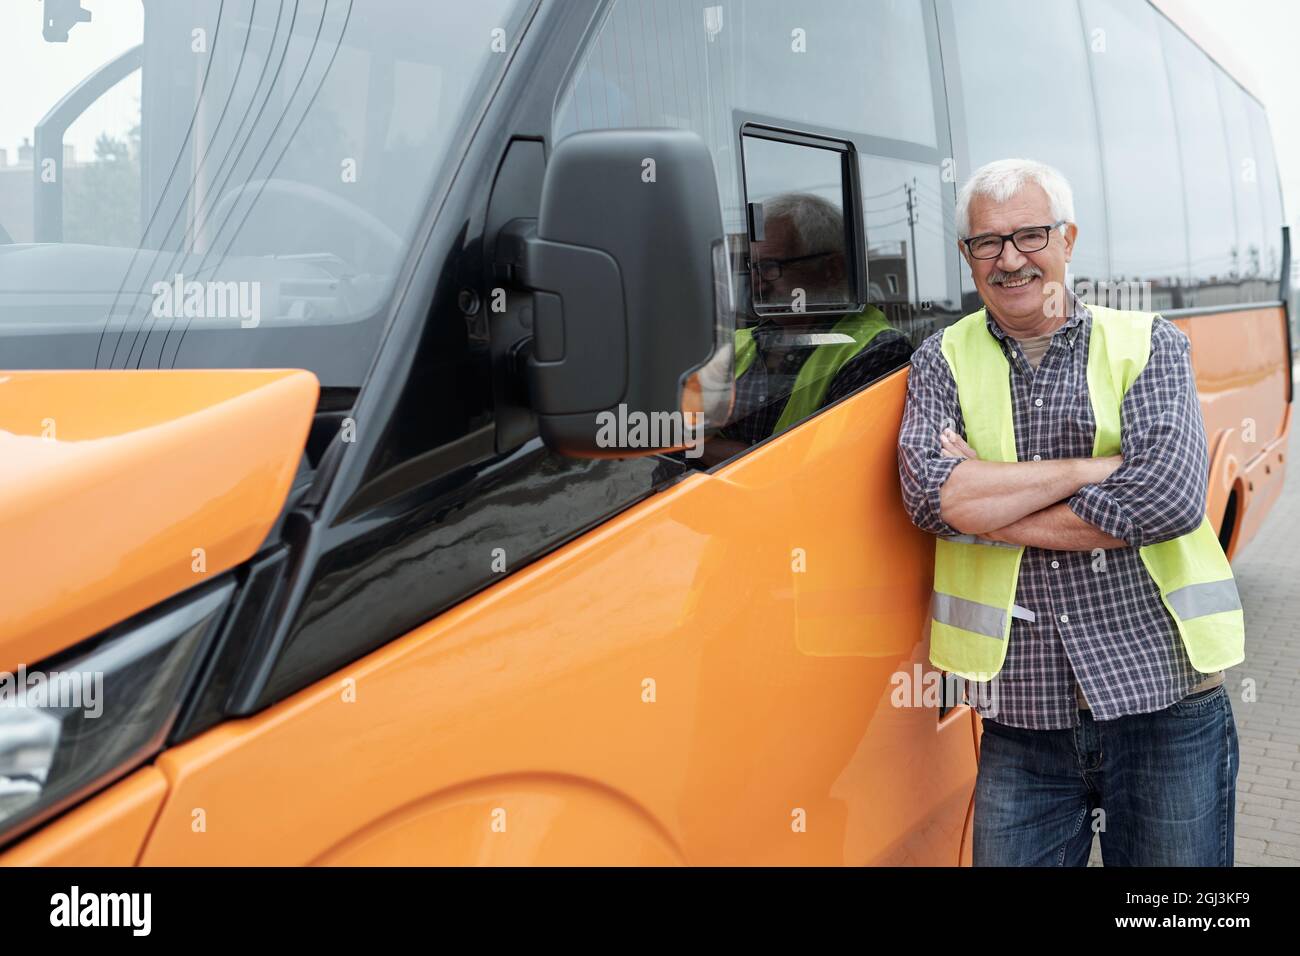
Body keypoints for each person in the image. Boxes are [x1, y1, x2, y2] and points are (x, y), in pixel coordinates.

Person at [897, 158, 1243, 866]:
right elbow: (931, 497)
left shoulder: (1149, 343)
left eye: (1030, 234)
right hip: (1022, 719)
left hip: (1163, 700)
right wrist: (1095, 471)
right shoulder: (940, 361)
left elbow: (1169, 500)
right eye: (986, 242)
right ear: (967, 256)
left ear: (1068, 238)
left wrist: (987, 504)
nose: (1010, 258)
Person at [698, 192, 910, 466]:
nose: (757, 284)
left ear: (832, 268)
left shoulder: (879, 352)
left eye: (770, 267)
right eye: (753, 267)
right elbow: (681, 426)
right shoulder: (742, 340)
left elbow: (815, 467)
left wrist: (702, 446)